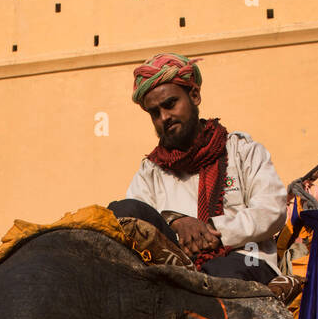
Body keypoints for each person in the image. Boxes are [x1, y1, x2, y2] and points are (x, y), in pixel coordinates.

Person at [108, 52, 299, 300]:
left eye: (170, 104)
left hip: (246, 260)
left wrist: (211, 232)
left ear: (195, 95)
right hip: (176, 270)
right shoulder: (150, 173)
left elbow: (271, 211)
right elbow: (135, 224)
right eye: (155, 113)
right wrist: (175, 221)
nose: (164, 117)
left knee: (215, 277)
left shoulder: (242, 151)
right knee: (122, 210)